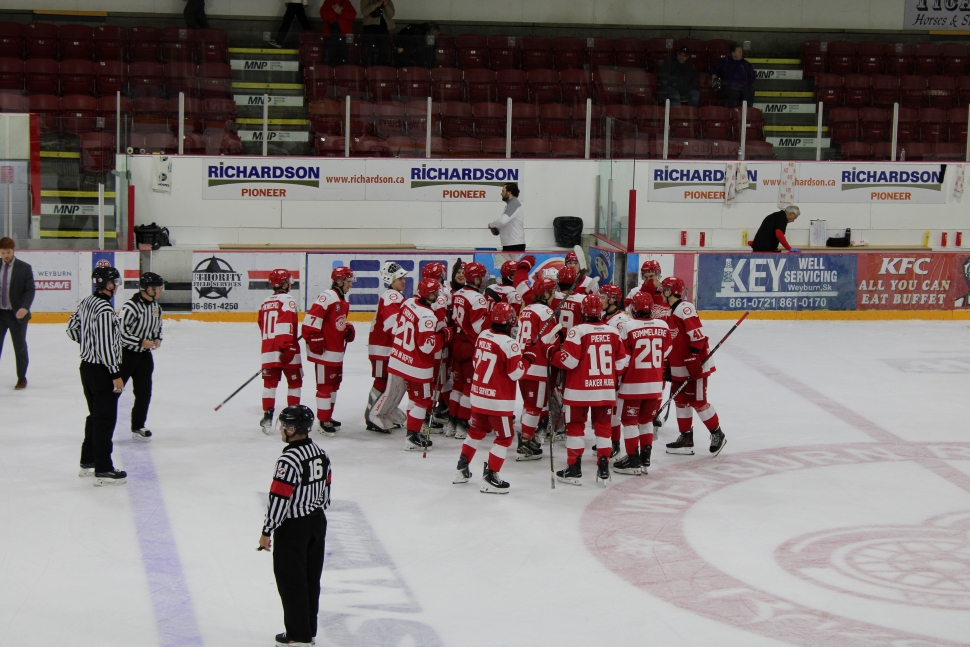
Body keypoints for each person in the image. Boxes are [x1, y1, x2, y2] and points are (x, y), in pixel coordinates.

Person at [259, 405, 331, 647]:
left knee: (291, 580)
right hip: (317, 521)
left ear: (292, 429)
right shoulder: (320, 452)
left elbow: (280, 496)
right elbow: (326, 487)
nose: (281, 429)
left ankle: (298, 636)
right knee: (311, 578)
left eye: (283, 425)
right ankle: (308, 629)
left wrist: (267, 530)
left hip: (294, 527)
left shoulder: (288, 459)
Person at [453, 302, 531, 493]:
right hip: (498, 401)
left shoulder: (482, 336)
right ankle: (490, 477)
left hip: (478, 395)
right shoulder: (510, 344)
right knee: (504, 437)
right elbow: (515, 373)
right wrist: (528, 358)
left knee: (475, 432)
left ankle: (461, 469)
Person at [551, 293, 628, 486]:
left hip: (578, 391)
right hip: (605, 390)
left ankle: (574, 469)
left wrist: (553, 354)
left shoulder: (577, 331)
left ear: (583, 311)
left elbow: (569, 361)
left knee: (576, 427)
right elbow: (622, 361)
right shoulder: (612, 332)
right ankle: (603, 468)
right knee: (603, 429)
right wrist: (611, 377)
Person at [68, 266, 126, 486]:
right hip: (102, 371)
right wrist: (116, 374)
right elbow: (105, 348)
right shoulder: (104, 310)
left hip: (87, 368)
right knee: (105, 420)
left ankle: (88, 460)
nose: (117, 286)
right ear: (108, 285)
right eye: (115, 283)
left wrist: (87, 343)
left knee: (95, 415)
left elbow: (72, 329)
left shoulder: (86, 302)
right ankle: (103, 469)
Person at [661, 277, 726, 457]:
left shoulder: (685, 308)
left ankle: (717, 434)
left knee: (698, 401)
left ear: (671, 291)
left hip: (695, 365)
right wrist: (668, 366)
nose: (661, 293)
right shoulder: (669, 312)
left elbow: (698, 335)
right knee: (680, 401)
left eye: (664, 289)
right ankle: (686, 438)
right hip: (679, 367)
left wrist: (693, 357)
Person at [386, 277, 451, 451]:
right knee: (422, 399)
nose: (436, 295)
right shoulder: (428, 315)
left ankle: (413, 432)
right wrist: (443, 336)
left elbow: (394, 329)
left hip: (400, 358)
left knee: (414, 398)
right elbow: (427, 345)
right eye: (433, 293)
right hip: (416, 366)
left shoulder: (408, 302)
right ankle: (412, 436)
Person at [614, 291, 671, 476]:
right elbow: (667, 350)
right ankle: (645, 457)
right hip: (655, 384)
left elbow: (623, 358)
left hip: (633, 384)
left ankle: (632, 458)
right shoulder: (663, 325)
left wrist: (615, 377)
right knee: (646, 421)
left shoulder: (628, 326)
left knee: (629, 421)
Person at [303, 267, 354, 436]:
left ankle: (328, 417)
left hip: (336, 350)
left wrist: (346, 328)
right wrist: (313, 336)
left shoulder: (343, 300)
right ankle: (323, 421)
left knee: (333, 385)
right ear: (339, 281)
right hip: (325, 351)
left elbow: (335, 322)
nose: (350, 284)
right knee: (325, 386)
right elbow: (311, 320)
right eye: (348, 281)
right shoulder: (328, 296)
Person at [515, 276, 560, 459]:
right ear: (547, 293)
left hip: (523, 364)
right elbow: (551, 341)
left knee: (529, 405)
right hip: (538, 366)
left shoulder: (526, 310)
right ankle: (526, 442)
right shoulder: (546, 312)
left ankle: (528, 437)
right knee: (534, 407)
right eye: (552, 292)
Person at [119, 271, 164, 442]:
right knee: (113, 391)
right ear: (148, 288)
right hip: (127, 355)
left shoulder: (155, 307)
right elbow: (121, 332)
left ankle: (138, 425)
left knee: (144, 393)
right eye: (158, 287)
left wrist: (157, 338)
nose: (160, 290)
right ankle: (102, 423)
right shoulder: (130, 307)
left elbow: (158, 326)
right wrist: (139, 341)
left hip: (144, 357)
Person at [259, 269, 303, 434]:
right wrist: (288, 346)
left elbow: (261, 325)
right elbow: (286, 323)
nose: (290, 284)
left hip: (268, 350)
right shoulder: (288, 300)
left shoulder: (265, 302)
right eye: (288, 281)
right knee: (295, 383)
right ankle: (292, 416)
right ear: (284, 283)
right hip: (286, 350)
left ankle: (267, 415)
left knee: (269, 384)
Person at [448, 261, 489, 439]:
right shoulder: (478, 298)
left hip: (456, 343)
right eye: (483, 276)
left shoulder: (458, 293)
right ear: (476, 278)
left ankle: (452, 422)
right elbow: (479, 327)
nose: (485, 279)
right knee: (468, 386)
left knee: (457, 385)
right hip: (470, 345)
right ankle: (463, 425)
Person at [365, 261, 407, 433]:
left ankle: (385, 410)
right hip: (383, 348)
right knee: (383, 381)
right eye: (400, 278)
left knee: (393, 382)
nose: (404, 281)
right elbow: (393, 325)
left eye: (403, 277)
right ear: (391, 280)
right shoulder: (391, 296)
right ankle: (371, 415)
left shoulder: (395, 295)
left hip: (386, 347)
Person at [0, 237, 34, 390]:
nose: (6, 255)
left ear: (14, 251)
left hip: (17, 315)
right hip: (0, 315)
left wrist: (25, 307)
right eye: (3, 252)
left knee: (20, 347)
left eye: (8, 252)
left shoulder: (24, 268)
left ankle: (21, 377)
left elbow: (30, 289)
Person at [600, 283, 629, 458]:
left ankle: (615, 443)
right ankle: (609, 440)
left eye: (603, 297)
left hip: (618, 372)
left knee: (613, 411)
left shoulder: (620, 321)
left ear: (612, 300)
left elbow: (624, 351)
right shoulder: (605, 316)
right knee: (607, 409)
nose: (600, 299)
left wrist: (619, 373)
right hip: (608, 371)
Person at [711, 43, 755, 108]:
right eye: (739, 52)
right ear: (733, 53)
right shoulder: (724, 62)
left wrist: (744, 84)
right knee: (733, 94)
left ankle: (746, 114)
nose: (741, 53)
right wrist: (714, 75)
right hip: (728, 87)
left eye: (742, 52)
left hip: (742, 86)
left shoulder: (745, 64)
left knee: (749, 92)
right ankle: (732, 113)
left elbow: (752, 76)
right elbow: (713, 69)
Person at [488, 183, 525, 252]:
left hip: (514, 245)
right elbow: (506, 222)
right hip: (512, 244)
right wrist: (498, 229)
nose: (501, 193)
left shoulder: (513, 204)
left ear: (509, 192)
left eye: (503, 191)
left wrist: (491, 225)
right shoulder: (512, 205)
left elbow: (503, 221)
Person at [320, 0, 357, 66]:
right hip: (330, 35)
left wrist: (341, 12)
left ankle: (343, 74)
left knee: (345, 57)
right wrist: (334, 11)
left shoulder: (346, 2)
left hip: (345, 36)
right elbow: (323, 15)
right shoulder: (328, 2)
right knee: (331, 58)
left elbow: (353, 15)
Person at [361, 0, 395, 66]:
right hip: (370, 29)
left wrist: (386, 5)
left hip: (383, 29)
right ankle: (369, 70)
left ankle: (382, 70)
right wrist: (376, 5)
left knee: (383, 51)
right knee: (370, 51)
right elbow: (364, 12)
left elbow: (391, 14)